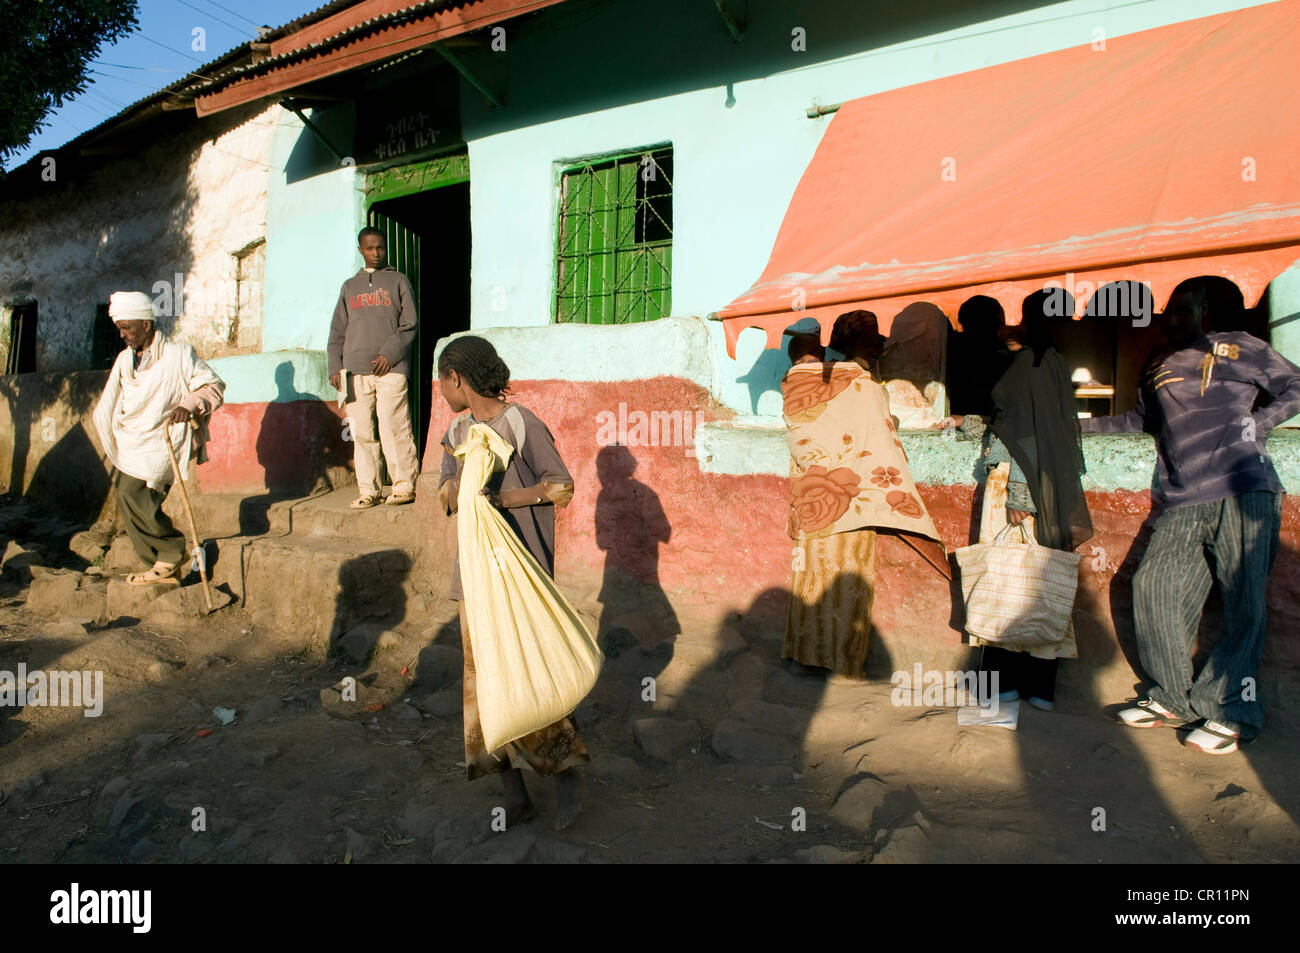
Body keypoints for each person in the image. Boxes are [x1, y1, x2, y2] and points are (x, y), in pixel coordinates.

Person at [1082, 277, 1300, 754]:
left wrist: (1255, 423)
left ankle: (1232, 713)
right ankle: (1170, 698)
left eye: (1184, 310)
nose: (1175, 319)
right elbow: (1141, 422)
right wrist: (1077, 426)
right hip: (1183, 497)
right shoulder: (1158, 361)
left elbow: (1295, 386)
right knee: (1152, 585)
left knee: (1243, 604)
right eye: (1169, 312)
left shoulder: (1239, 346)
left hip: (1245, 489)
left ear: (1203, 309)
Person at [435, 335, 587, 829]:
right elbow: (445, 493)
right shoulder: (458, 431)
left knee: (530, 681)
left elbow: (561, 487)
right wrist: (456, 490)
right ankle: (514, 794)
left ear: (456, 378)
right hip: (475, 576)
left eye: (442, 382)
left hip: (521, 576)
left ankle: (567, 785)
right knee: (485, 693)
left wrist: (502, 501)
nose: (442, 392)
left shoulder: (522, 424)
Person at [937, 292, 1092, 710]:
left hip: (1018, 485)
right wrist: (968, 423)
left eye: (1016, 318)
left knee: (1006, 578)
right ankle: (1040, 687)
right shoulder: (1050, 360)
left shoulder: (1027, 365)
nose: (1006, 327)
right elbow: (1016, 422)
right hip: (1047, 485)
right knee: (1039, 580)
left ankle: (1000, 683)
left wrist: (1020, 494)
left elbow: (1023, 434)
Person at [781, 311, 948, 679]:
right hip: (850, 498)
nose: (879, 342)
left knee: (820, 577)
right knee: (840, 581)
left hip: (819, 497)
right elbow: (874, 432)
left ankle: (811, 657)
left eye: (879, 335)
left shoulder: (827, 379)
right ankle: (833, 661)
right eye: (870, 335)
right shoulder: (859, 384)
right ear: (848, 339)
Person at [92, 291, 225, 585]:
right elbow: (114, 401)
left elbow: (213, 387)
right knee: (129, 495)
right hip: (134, 442)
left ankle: (170, 552)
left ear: (147, 325)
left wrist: (187, 405)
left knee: (134, 494)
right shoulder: (125, 360)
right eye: (120, 328)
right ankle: (160, 566)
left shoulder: (179, 355)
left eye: (127, 327)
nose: (123, 334)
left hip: (163, 441)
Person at [327, 226, 420, 508]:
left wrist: (389, 355)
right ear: (360, 250)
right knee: (361, 432)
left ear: (386, 248)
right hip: (355, 371)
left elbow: (409, 324)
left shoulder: (398, 281)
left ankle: (404, 485)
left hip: (391, 369)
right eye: (369, 248)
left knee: (394, 427)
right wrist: (335, 366)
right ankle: (368, 490)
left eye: (380, 247)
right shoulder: (349, 287)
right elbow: (337, 332)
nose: (375, 253)